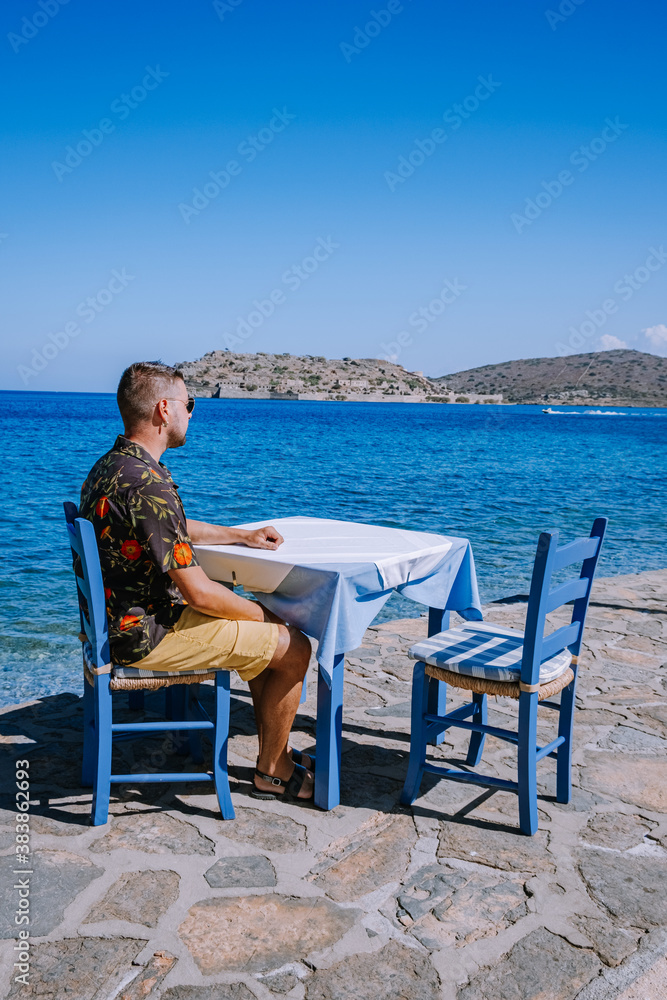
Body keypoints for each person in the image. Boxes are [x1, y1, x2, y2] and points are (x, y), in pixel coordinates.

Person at [79, 361, 313, 802]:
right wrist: (266, 616)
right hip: (148, 634)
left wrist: (240, 535)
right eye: (190, 404)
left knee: (263, 633)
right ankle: (273, 771)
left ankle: (273, 755)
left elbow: (171, 528)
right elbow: (198, 592)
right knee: (293, 645)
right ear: (164, 410)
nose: (192, 413)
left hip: (117, 624)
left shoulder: (112, 466)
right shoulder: (147, 483)